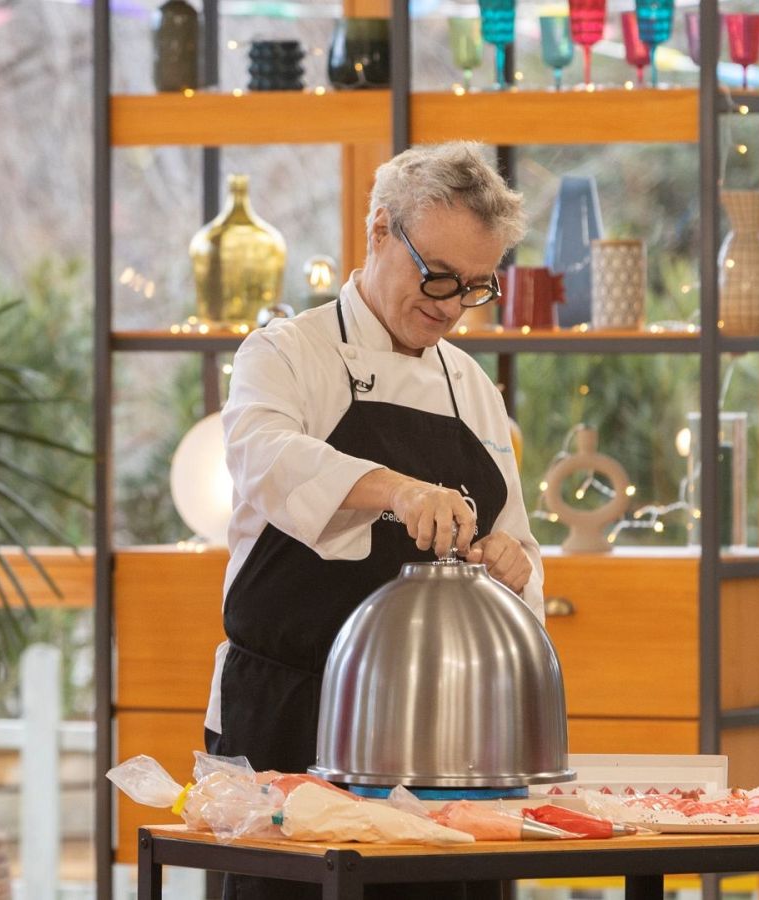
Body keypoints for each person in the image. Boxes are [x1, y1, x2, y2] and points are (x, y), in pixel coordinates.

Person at [204, 141, 546, 899]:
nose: (451, 306)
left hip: (442, 740)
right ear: (380, 231)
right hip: (291, 724)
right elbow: (264, 456)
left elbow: (519, 544)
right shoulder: (286, 353)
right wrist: (395, 490)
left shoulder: (473, 388)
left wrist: (511, 565)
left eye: (475, 287)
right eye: (438, 276)